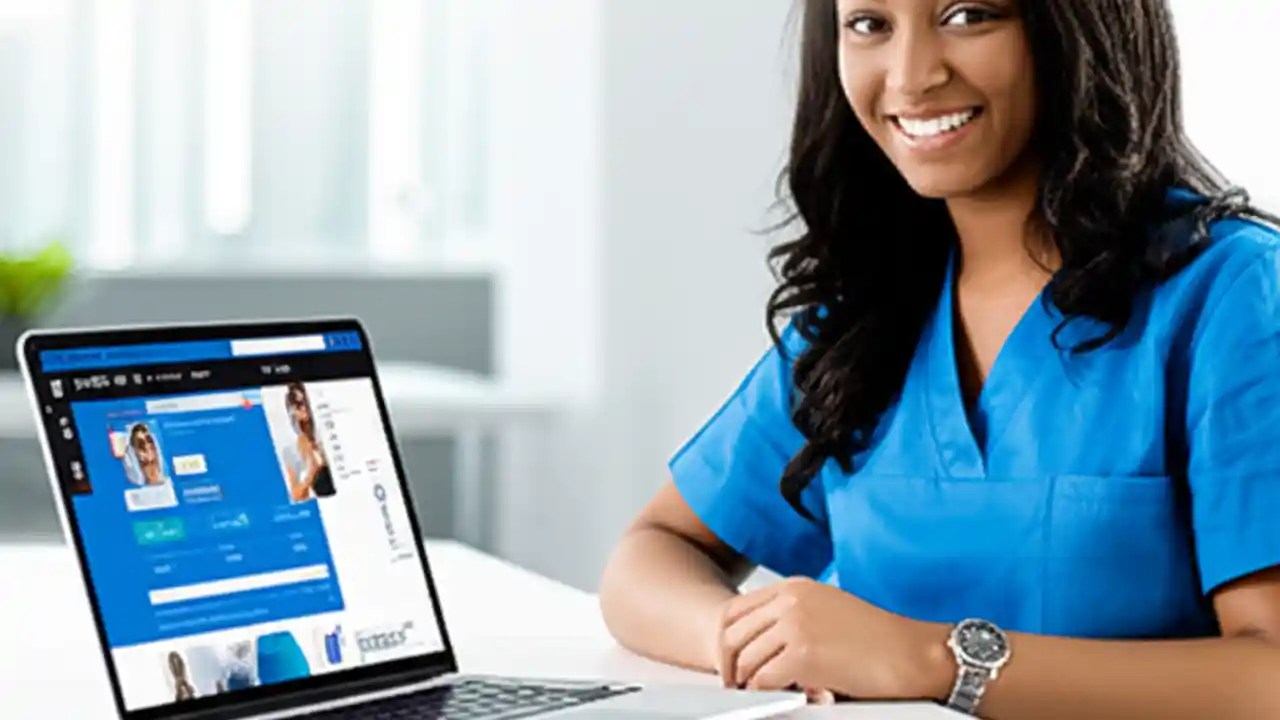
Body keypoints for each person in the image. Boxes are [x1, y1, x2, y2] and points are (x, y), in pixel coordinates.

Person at [599, 1, 1280, 717]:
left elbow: (1270, 675)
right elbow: (654, 552)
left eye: (967, 14)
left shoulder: (1233, 296)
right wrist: (757, 641)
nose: (912, 76)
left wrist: (932, 659)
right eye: (869, 24)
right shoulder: (863, 317)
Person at [281, 382, 335, 501]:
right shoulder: (291, 450)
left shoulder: (323, 433)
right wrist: (310, 474)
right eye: (297, 404)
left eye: (304, 402)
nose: (302, 408)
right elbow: (296, 495)